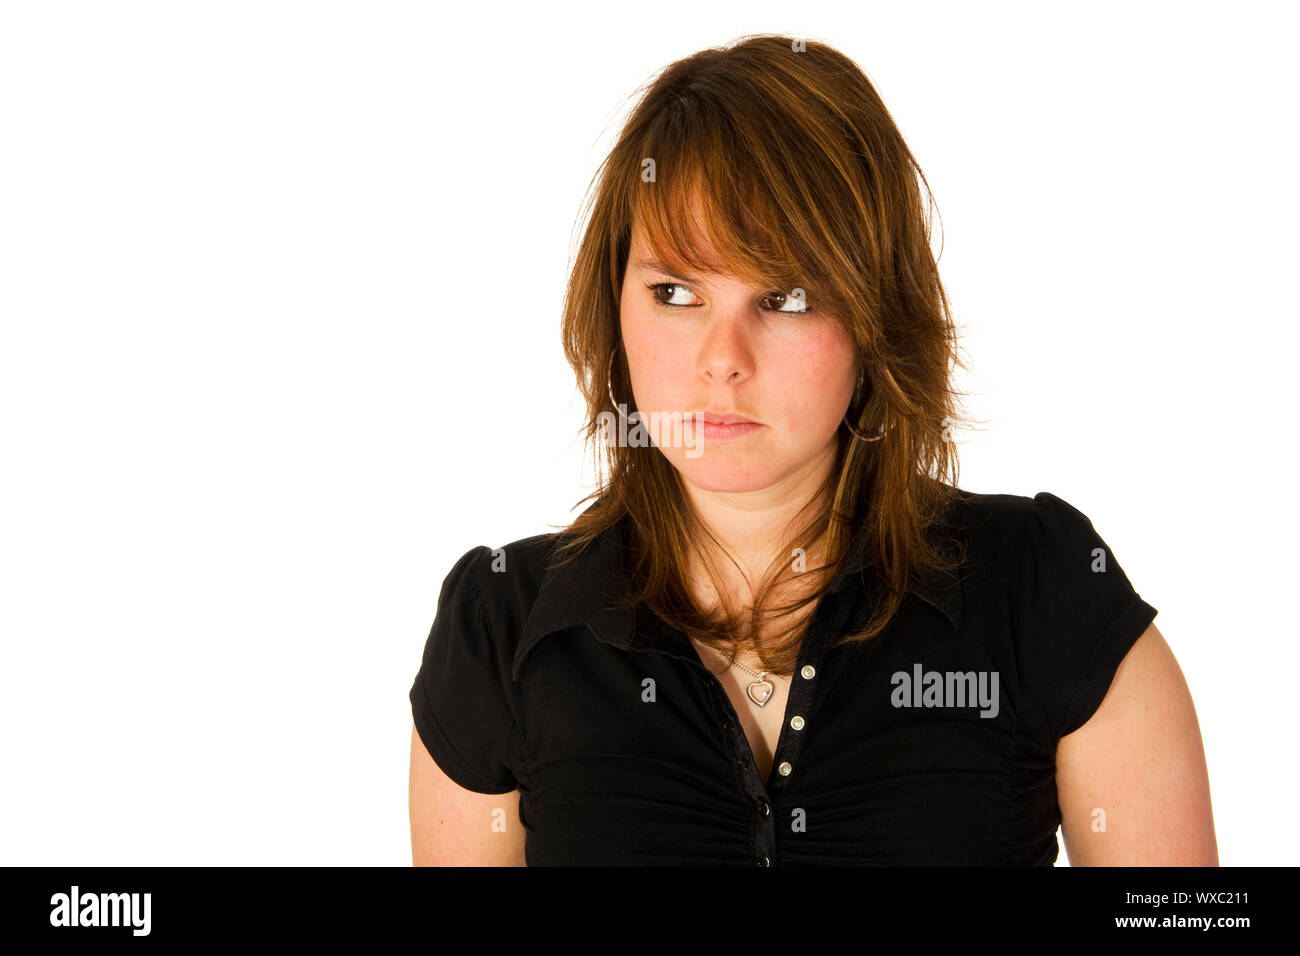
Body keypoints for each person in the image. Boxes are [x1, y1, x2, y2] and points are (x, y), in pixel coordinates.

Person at [408, 34, 1217, 866]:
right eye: (674, 292)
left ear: (877, 316)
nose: (722, 357)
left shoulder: (1045, 595)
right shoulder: (501, 632)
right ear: (611, 307)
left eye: (784, 297)